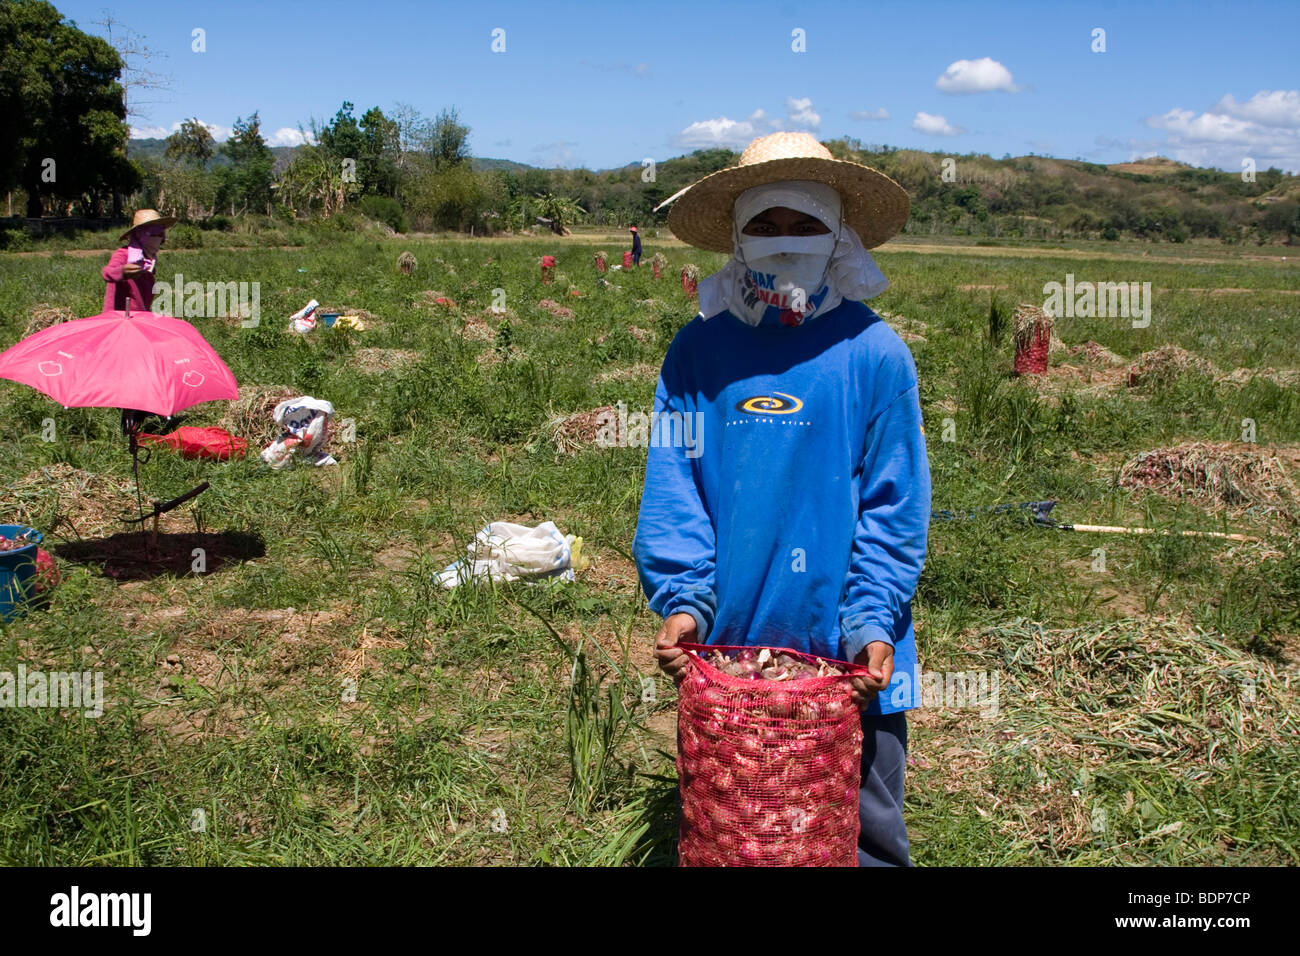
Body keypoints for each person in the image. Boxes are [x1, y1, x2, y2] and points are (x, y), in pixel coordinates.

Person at [633, 131, 930, 867]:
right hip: (733, 643)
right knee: (738, 826)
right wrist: (684, 601)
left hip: (848, 649)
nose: (786, 240)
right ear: (736, 235)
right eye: (766, 223)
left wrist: (870, 621)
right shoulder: (698, 352)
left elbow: (895, 505)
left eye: (806, 223)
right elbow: (676, 489)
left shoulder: (874, 353)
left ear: (840, 234)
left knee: (862, 830)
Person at [102, 209, 175, 313]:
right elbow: (107, 272)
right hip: (120, 317)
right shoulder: (124, 255)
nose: (158, 239)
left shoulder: (148, 261)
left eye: (160, 234)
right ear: (141, 235)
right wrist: (122, 272)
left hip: (139, 317)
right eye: (153, 234)